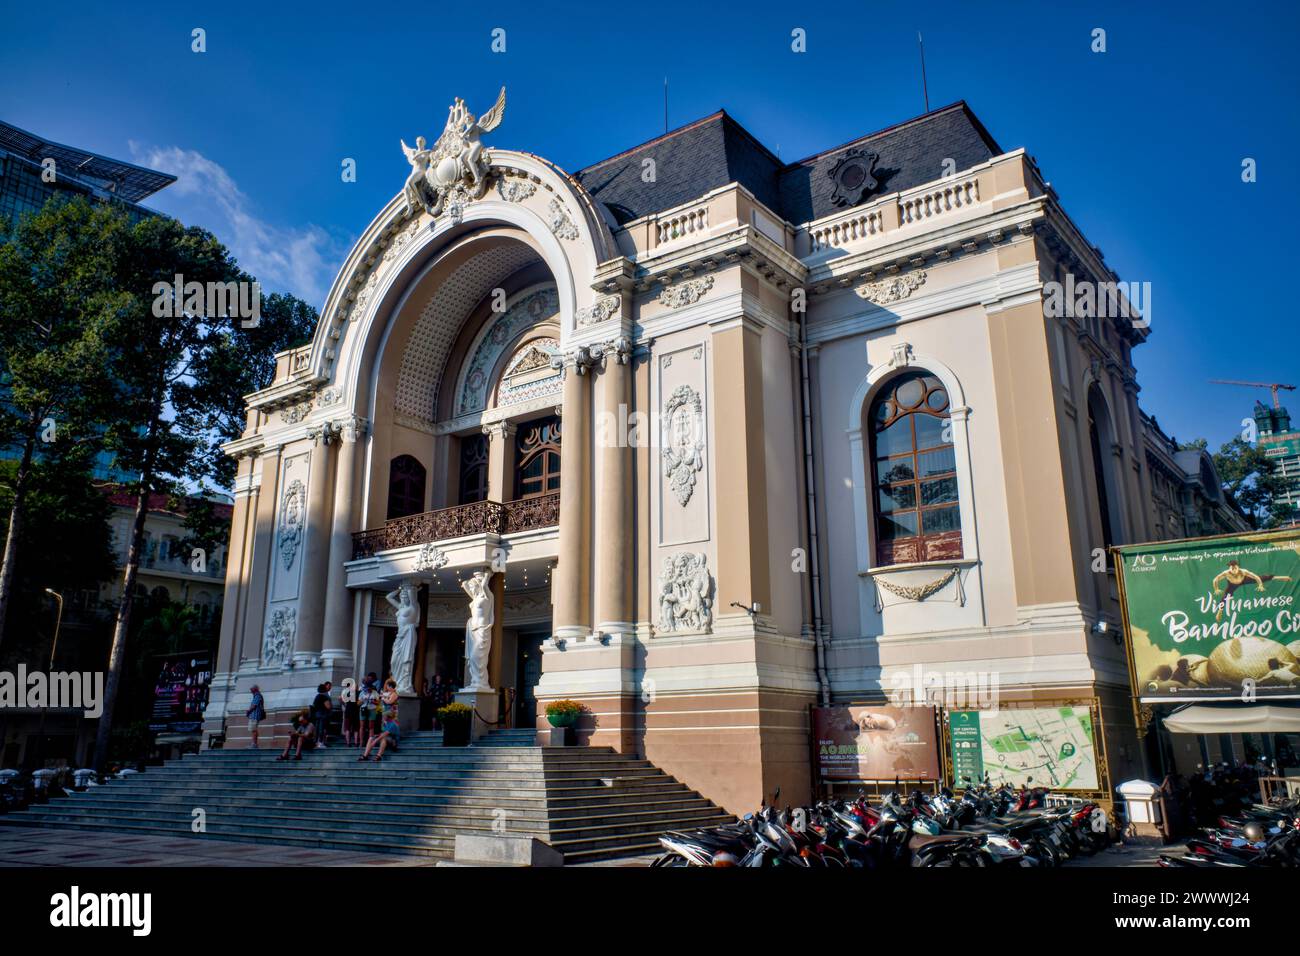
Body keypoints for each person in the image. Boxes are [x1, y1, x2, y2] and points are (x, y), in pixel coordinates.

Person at [357, 673, 380, 747]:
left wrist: (372, 701)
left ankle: (370, 743)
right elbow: (358, 703)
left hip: (372, 709)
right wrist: (363, 700)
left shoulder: (375, 693)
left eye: (369, 688)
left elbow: (378, 702)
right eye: (367, 688)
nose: (368, 689)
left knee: (371, 727)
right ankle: (361, 742)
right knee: (362, 726)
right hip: (363, 709)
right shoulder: (362, 692)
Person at [311, 682, 333, 748]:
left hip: (317, 714)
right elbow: (328, 706)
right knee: (322, 729)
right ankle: (320, 742)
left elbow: (314, 705)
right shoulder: (324, 697)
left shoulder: (317, 696)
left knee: (317, 729)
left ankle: (316, 742)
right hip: (323, 714)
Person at [245, 684, 266, 749]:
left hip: (255, 715)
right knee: (253, 729)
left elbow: (254, 706)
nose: (250, 691)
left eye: (251, 689)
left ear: (255, 689)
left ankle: (254, 744)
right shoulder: (256, 695)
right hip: (254, 715)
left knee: (254, 729)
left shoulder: (257, 696)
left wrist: (248, 711)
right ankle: (254, 744)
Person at [342, 681, 361, 747]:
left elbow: (341, 698)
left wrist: (344, 705)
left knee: (347, 728)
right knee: (356, 729)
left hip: (348, 712)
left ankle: (348, 743)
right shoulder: (359, 693)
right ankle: (356, 742)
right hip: (356, 712)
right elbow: (360, 702)